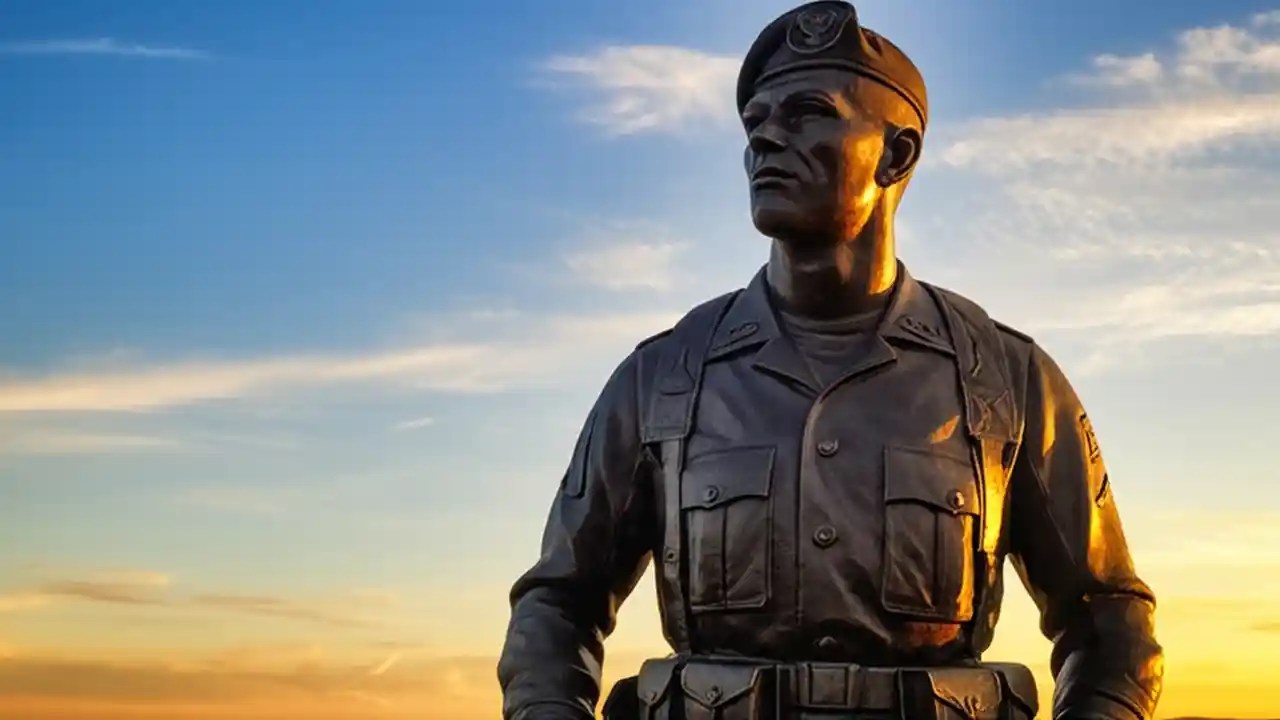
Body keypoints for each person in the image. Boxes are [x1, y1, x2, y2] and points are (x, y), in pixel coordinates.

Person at [497, 2, 1163, 718]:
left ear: (897, 153)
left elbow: (1109, 623)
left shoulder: (1004, 378)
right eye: (755, 124)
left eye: (808, 113)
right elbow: (557, 606)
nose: (766, 141)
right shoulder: (663, 378)